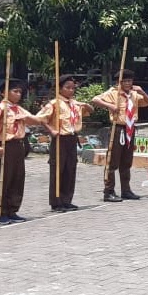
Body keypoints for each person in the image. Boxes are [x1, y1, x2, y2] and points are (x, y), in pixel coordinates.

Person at [0, 79, 44, 224]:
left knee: (17, 178)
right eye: (14, 91)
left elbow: (35, 120)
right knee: (4, 178)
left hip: (19, 145)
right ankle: (0, 211)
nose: (18, 94)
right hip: (5, 144)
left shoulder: (18, 109)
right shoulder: (1, 108)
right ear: (4, 92)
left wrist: (42, 112)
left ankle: (12, 210)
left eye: (20, 92)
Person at [92, 69, 148, 202]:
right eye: (124, 81)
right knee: (112, 161)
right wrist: (110, 106)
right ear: (119, 82)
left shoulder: (134, 95)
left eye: (129, 81)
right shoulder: (113, 93)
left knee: (126, 161)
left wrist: (141, 91)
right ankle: (109, 190)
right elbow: (95, 99)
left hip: (130, 128)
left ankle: (126, 189)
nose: (127, 83)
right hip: (117, 128)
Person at [37, 74, 92, 212]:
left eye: (73, 88)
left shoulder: (75, 104)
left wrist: (85, 105)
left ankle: (67, 200)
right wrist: (51, 130)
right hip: (60, 138)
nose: (71, 91)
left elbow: (90, 111)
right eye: (67, 88)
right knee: (58, 169)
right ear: (60, 88)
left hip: (72, 138)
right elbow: (40, 118)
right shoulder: (54, 103)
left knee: (70, 169)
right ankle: (56, 202)